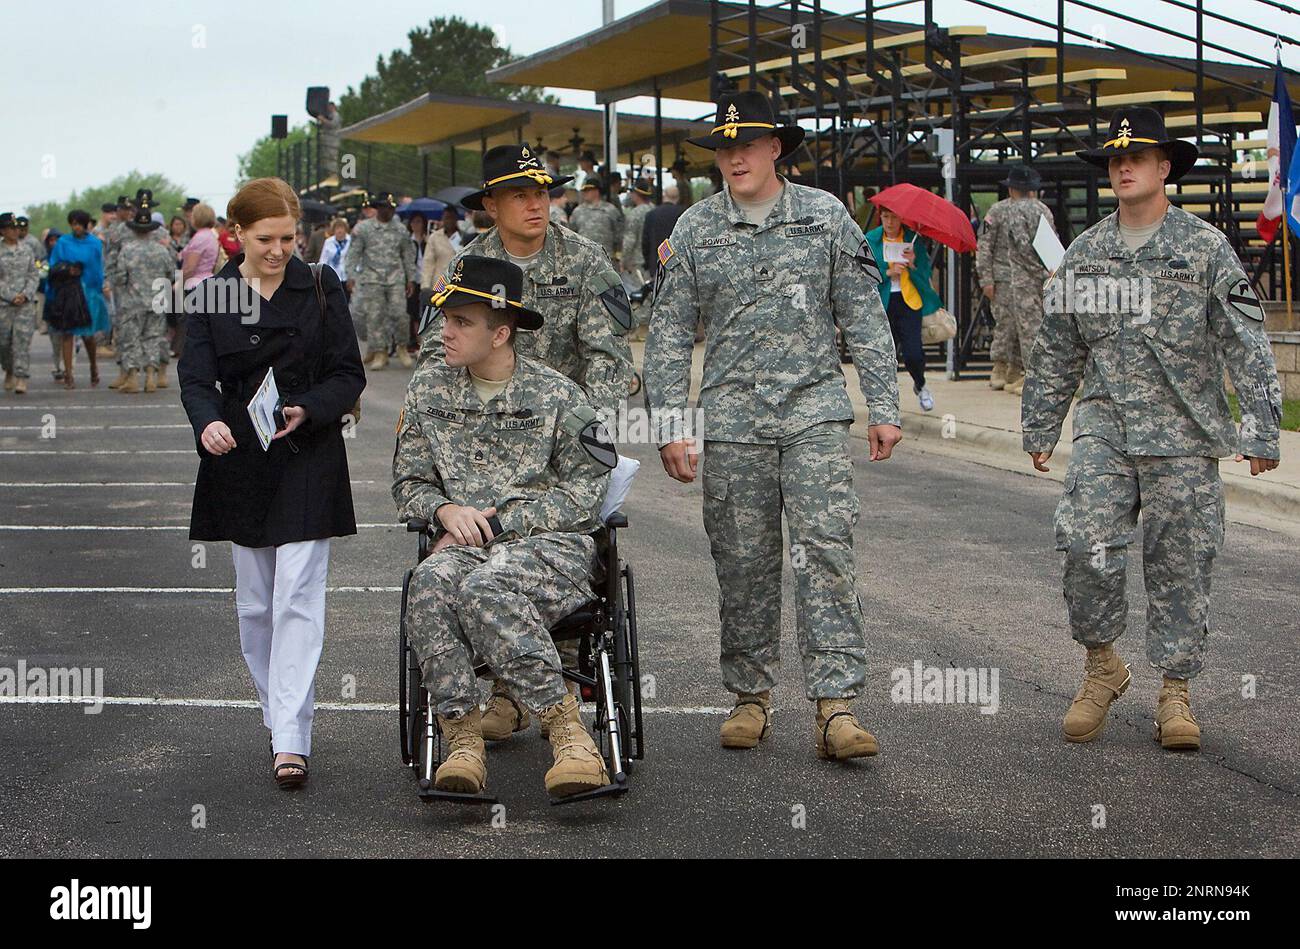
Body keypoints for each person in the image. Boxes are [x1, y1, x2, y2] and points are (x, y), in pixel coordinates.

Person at [644, 90, 902, 760]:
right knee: (744, 561)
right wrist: (672, 423)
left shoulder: (823, 216)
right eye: (725, 146)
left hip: (814, 412)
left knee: (826, 552)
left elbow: (863, 316)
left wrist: (885, 405)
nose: (735, 156)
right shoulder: (697, 229)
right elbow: (670, 335)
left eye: (747, 144)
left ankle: (836, 705)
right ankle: (750, 696)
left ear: (775, 148)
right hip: (732, 421)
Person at [1021, 107, 1283, 752]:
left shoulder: (1203, 247)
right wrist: (1041, 424)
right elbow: (1057, 346)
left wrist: (1262, 428)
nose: (1125, 166)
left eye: (1137, 157)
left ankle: (1175, 691)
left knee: (1182, 563)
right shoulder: (1086, 252)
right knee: (1085, 543)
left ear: (1165, 167)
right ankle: (1102, 666)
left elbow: (1244, 339)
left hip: (1184, 433)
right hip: (1106, 427)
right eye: (1115, 159)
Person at [418, 143, 635, 742]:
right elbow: (433, 357)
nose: (536, 204)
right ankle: (510, 695)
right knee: (476, 563)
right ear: (490, 204)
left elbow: (610, 360)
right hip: (480, 446)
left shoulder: (586, 261)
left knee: (549, 543)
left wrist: (589, 434)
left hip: (561, 439)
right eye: (520, 194)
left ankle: (551, 686)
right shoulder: (468, 265)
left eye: (542, 192)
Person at [393, 256, 617, 798]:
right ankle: (462, 737)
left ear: (500, 332)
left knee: (485, 588)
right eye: (444, 317)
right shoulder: (428, 392)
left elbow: (592, 489)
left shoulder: (560, 395)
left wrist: (508, 520)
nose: (443, 331)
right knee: (429, 583)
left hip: (550, 548)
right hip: (463, 543)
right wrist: (444, 512)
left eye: (461, 322)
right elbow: (409, 485)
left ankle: (569, 734)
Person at [179, 177, 366, 788]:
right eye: (266, 239)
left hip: (307, 451)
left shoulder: (320, 284)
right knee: (257, 604)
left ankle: (291, 738)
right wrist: (207, 424)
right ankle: (275, 715)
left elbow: (348, 374)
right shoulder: (212, 295)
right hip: (239, 456)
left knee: (297, 599)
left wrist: (308, 408)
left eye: (289, 237)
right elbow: (195, 377)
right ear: (235, 234)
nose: (280, 249)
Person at [978, 165, 1055, 396]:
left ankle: (1017, 368)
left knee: (1024, 325)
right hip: (1004, 276)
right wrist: (986, 277)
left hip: (1020, 276)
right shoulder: (998, 211)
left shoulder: (1017, 211)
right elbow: (984, 245)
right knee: (1006, 324)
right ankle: (1001, 366)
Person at [865, 207, 944, 411]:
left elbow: (925, 272)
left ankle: (921, 384)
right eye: (885, 217)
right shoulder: (871, 239)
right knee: (884, 355)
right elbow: (863, 270)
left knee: (913, 353)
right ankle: (886, 401)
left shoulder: (912, 240)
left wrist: (913, 265)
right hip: (883, 302)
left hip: (909, 301)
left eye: (894, 217)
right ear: (880, 217)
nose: (889, 222)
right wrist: (887, 272)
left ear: (902, 219)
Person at [346, 190, 415, 370]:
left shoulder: (401, 230)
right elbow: (354, 253)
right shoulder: (364, 229)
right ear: (378, 208)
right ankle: (380, 351)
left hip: (395, 278)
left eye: (390, 208)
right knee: (375, 317)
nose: (388, 211)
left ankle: (402, 346)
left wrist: (411, 278)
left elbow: (408, 255)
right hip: (372, 278)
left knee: (400, 313)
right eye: (384, 207)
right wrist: (351, 275)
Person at [116, 207, 176, 393]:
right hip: (157, 299)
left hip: (133, 301)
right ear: (151, 229)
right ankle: (151, 377)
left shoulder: (127, 250)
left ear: (133, 229)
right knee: (153, 338)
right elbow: (172, 274)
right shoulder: (161, 250)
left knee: (131, 339)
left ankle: (133, 377)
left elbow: (120, 278)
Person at [47, 210, 109, 388]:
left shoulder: (95, 244)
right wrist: (67, 271)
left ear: (86, 224)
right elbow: (54, 265)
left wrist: (98, 290)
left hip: (89, 293)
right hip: (68, 292)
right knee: (68, 333)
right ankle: (68, 374)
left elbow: (98, 269)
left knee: (88, 335)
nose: (77, 227)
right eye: (73, 223)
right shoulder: (63, 242)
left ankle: (93, 366)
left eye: (80, 224)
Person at [0, 212, 39, 395]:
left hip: (24, 305)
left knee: (22, 341)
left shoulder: (27, 250)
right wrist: (9, 296)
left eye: (17, 228)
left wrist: (25, 295)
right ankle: (9, 369)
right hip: (4, 305)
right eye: (11, 228)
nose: (16, 231)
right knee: (4, 343)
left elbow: (33, 274)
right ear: (3, 231)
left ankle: (21, 377)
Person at [567, 178, 624, 263]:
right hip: (583, 258)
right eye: (584, 190)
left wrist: (618, 254)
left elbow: (619, 233)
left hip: (606, 258)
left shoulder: (610, 210)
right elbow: (571, 233)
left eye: (588, 190)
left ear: (597, 191)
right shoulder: (577, 211)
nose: (584, 193)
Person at [621, 177, 655, 286]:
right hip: (654, 260)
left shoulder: (634, 214)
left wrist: (624, 261)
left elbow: (629, 240)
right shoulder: (654, 209)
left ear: (636, 194)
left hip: (638, 262)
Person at [420, 207, 461, 292]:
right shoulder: (434, 238)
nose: (449, 221)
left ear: (456, 219)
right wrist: (425, 287)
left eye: (451, 218)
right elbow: (428, 263)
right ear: (442, 219)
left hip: (459, 284)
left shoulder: (463, 237)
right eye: (446, 218)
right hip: (440, 284)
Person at [318, 218, 351, 284]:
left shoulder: (351, 240)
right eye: (337, 229)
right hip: (333, 276)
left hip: (348, 276)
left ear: (345, 229)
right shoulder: (328, 242)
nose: (339, 231)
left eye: (341, 228)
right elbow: (323, 260)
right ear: (334, 230)